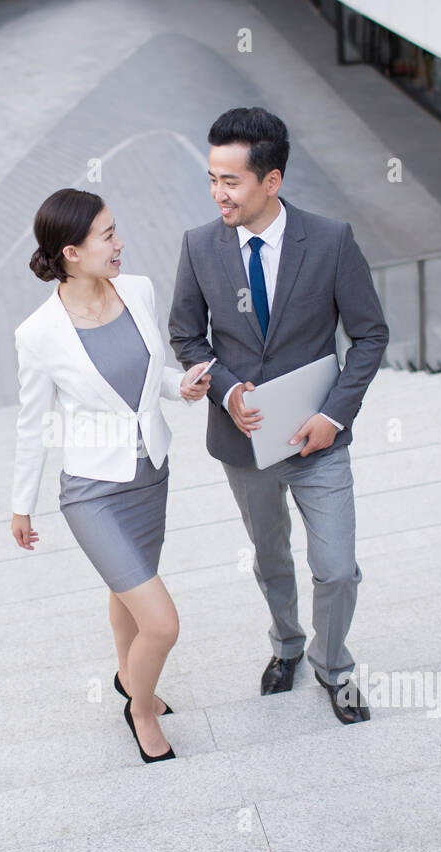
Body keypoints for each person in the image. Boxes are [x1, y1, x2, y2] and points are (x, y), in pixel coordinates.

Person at [168, 107, 390, 723]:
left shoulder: (331, 240)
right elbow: (187, 337)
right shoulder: (198, 246)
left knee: (337, 569)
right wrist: (230, 391)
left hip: (319, 439)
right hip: (246, 444)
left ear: (272, 181)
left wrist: (335, 416)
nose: (219, 193)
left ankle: (333, 665)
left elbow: (370, 335)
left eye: (231, 181)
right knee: (271, 558)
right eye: (213, 178)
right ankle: (287, 645)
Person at [10, 188, 212, 762]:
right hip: (92, 493)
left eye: (116, 230)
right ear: (71, 252)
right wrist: (21, 506)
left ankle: (129, 676)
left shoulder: (138, 290)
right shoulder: (39, 333)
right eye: (107, 236)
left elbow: (149, 374)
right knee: (163, 623)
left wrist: (182, 386)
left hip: (149, 472)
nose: (120, 243)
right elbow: (32, 424)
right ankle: (140, 707)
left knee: (128, 594)